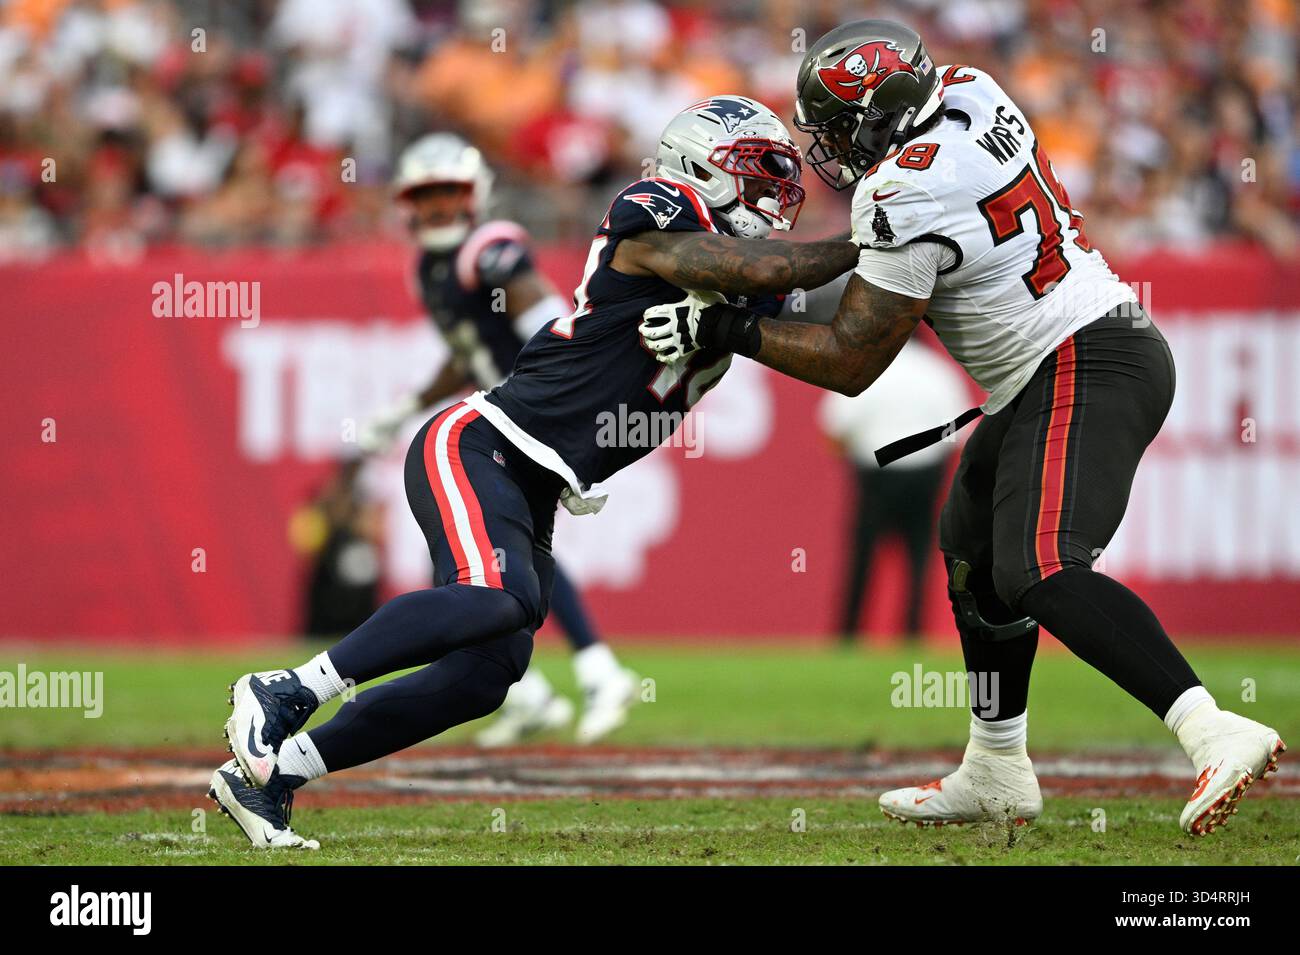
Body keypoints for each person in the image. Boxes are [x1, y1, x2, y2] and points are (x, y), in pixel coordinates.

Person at [637, 22, 1285, 837]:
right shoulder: (974, 87)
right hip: (1063, 358)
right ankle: (996, 766)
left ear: (880, 114)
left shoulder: (898, 194)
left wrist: (726, 329)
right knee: (972, 552)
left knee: (1041, 568)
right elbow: (887, 270)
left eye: (837, 128)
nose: (830, 148)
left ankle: (1211, 727)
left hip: (1086, 357)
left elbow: (851, 360)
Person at [208, 95, 858, 848]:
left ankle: (277, 776)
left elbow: (831, 321)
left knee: (491, 670)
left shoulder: (747, 264)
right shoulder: (656, 209)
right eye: (759, 171)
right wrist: (867, 233)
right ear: (702, 165)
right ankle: (286, 688)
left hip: (534, 480)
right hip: (481, 442)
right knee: (497, 595)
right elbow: (761, 264)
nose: (775, 191)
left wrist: (921, 259)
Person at [359, 132, 636, 746]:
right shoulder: (430, 270)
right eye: (425, 194)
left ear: (474, 194)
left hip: (528, 420)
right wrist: (405, 406)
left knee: (483, 559)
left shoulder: (488, 248)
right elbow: (468, 355)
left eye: (448, 192)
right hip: (508, 418)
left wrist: (561, 419)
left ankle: (587, 672)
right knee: (501, 559)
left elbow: (550, 323)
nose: (436, 207)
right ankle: (551, 685)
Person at [817, 337, 966, 642]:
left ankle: (848, 635)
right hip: (925, 475)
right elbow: (959, 433)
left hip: (875, 475)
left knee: (862, 557)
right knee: (919, 558)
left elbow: (834, 430)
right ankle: (912, 635)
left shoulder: (865, 369)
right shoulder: (936, 370)